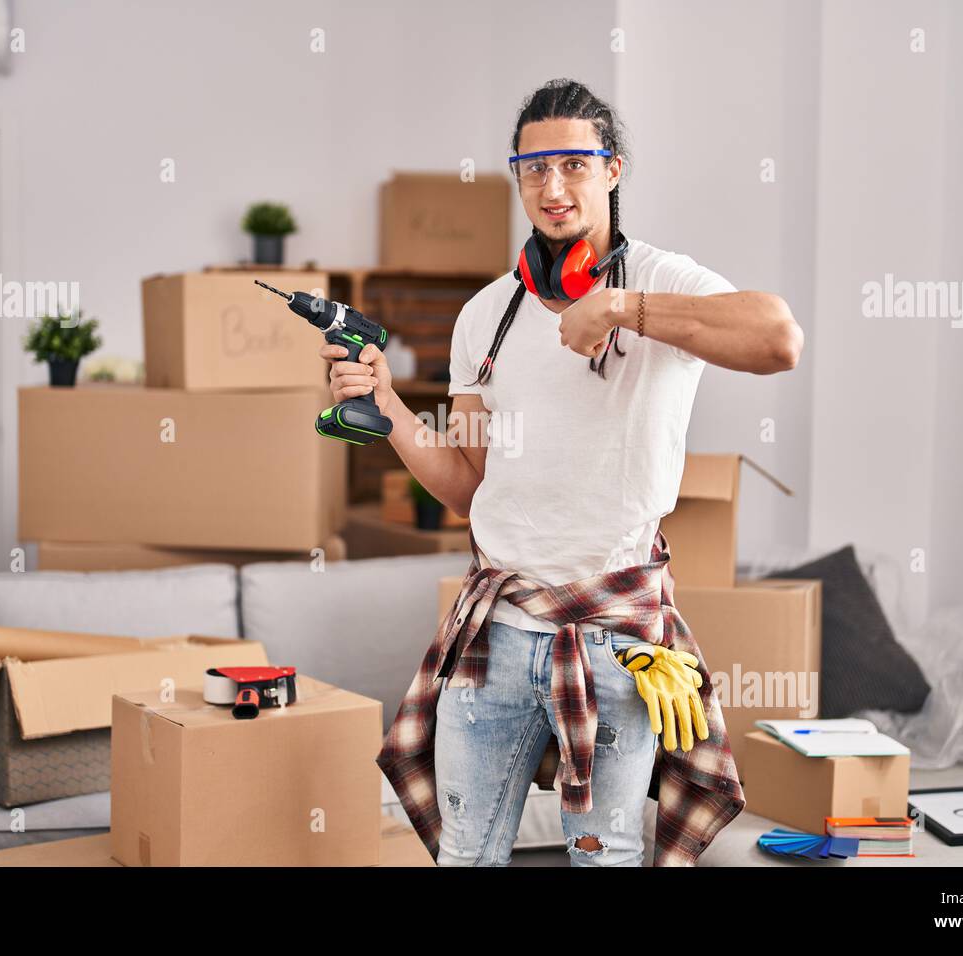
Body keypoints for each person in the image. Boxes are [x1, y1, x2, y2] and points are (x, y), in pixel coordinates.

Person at [322, 79, 803, 866]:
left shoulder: (663, 281)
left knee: (603, 857)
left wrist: (622, 310)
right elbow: (469, 483)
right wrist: (388, 411)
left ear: (613, 170)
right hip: (495, 636)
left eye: (574, 164)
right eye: (533, 168)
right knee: (465, 855)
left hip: (617, 644)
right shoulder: (485, 314)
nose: (553, 188)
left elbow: (779, 339)